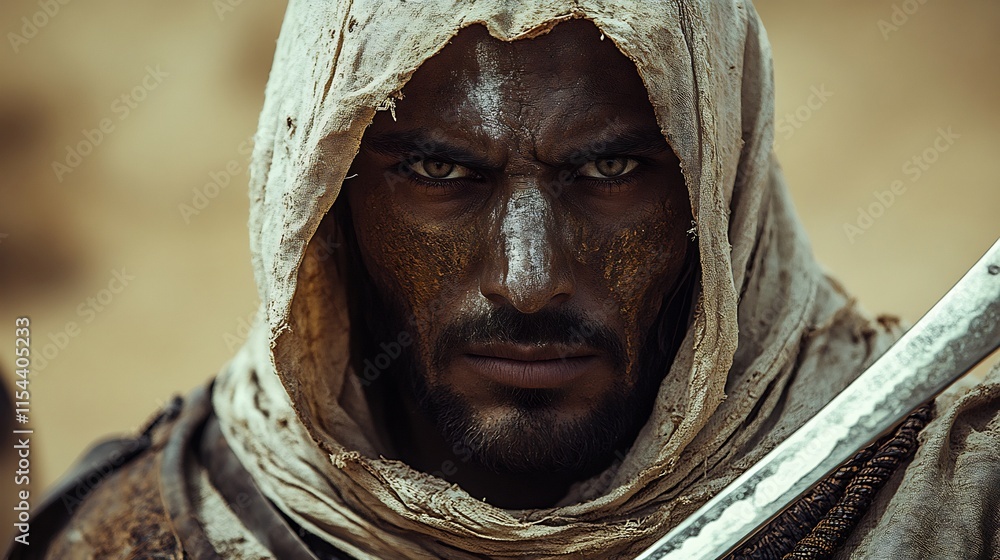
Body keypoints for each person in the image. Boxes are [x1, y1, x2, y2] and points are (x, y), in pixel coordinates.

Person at [10, 1, 999, 558]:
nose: (528, 280)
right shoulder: (138, 538)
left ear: (718, 186)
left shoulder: (957, 504)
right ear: (324, 212)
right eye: (440, 173)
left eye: (610, 170)